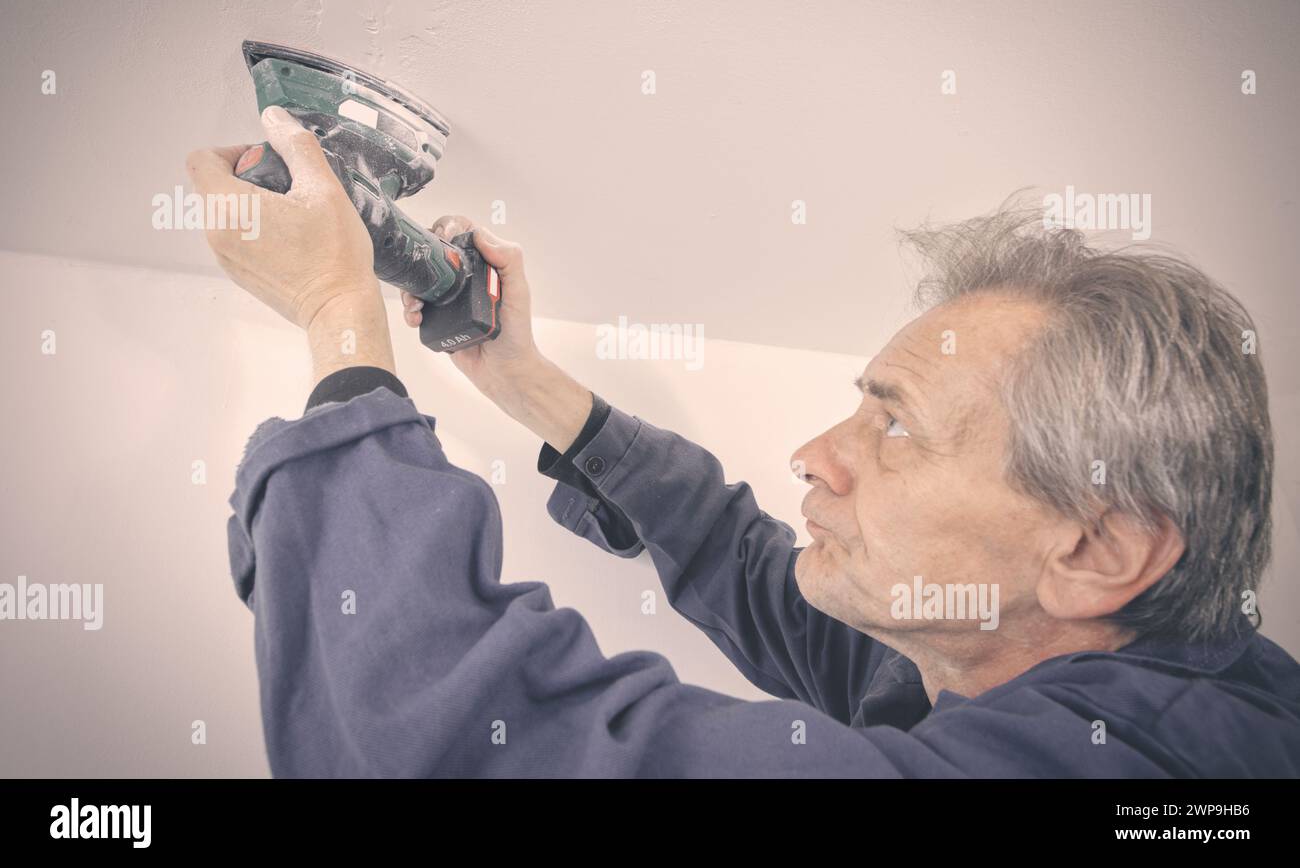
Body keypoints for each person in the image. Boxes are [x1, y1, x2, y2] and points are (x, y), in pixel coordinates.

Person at [184, 106, 1300, 776]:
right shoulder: (990, 656)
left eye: (894, 423)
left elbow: (474, 744)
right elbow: (751, 569)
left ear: (1098, 551)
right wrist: (517, 375)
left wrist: (341, 325)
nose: (815, 451)